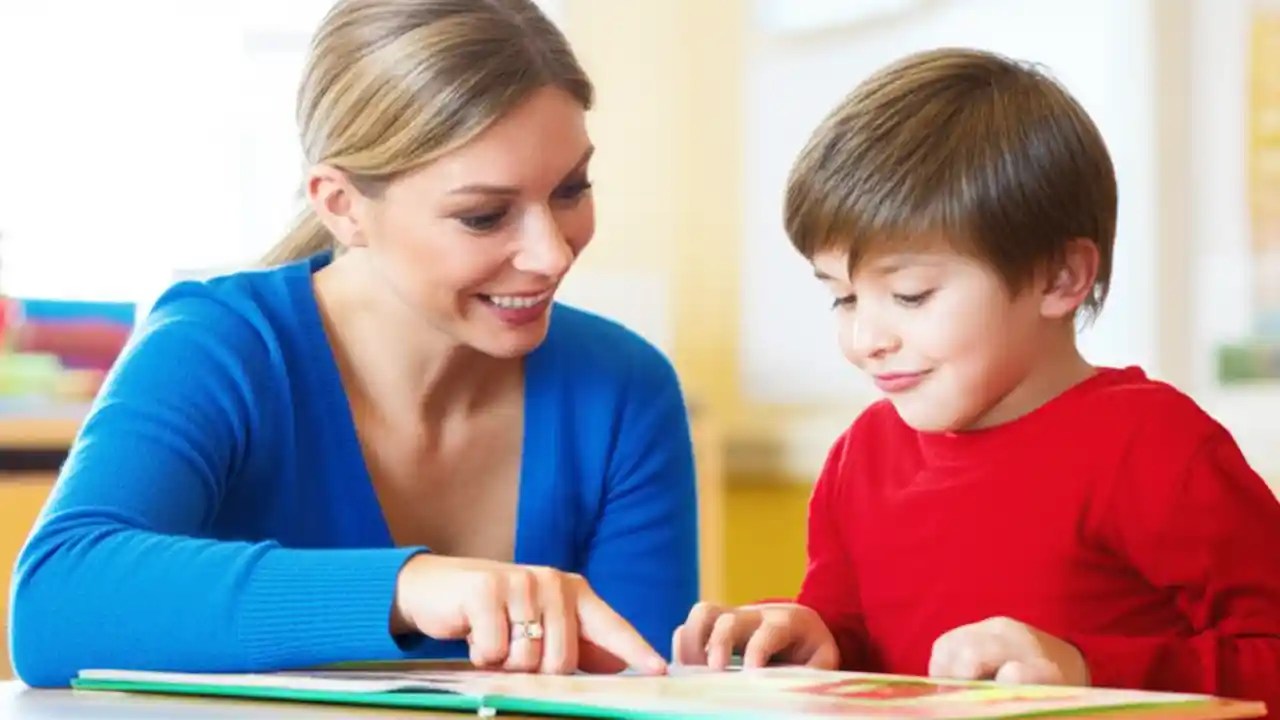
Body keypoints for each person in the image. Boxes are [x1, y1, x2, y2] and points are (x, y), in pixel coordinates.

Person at [10, 0, 699, 687]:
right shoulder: (221, 347)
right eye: (484, 216)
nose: (551, 255)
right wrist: (409, 588)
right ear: (340, 204)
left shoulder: (623, 390)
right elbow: (52, 611)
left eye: (570, 189)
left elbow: (639, 683)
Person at [673, 47, 1280, 710]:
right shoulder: (862, 458)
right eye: (843, 297)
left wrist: (1084, 669)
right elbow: (849, 639)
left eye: (909, 295)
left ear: (1059, 277)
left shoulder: (1155, 447)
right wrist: (800, 635)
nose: (865, 339)